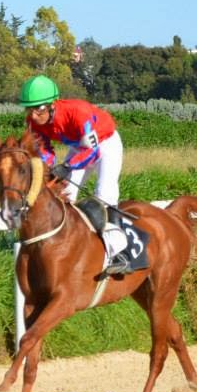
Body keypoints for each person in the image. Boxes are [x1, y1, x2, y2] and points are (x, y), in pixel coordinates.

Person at [19, 74, 130, 274]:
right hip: (79, 146)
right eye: (29, 109)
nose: (34, 115)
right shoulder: (34, 122)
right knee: (65, 192)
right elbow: (44, 150)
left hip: (106, 144)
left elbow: (93, 152)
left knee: (104, 193)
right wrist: (49, 168)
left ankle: (119, 252)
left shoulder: (78, 112)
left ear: (52, 104)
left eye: (39, 109)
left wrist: (67, 166)